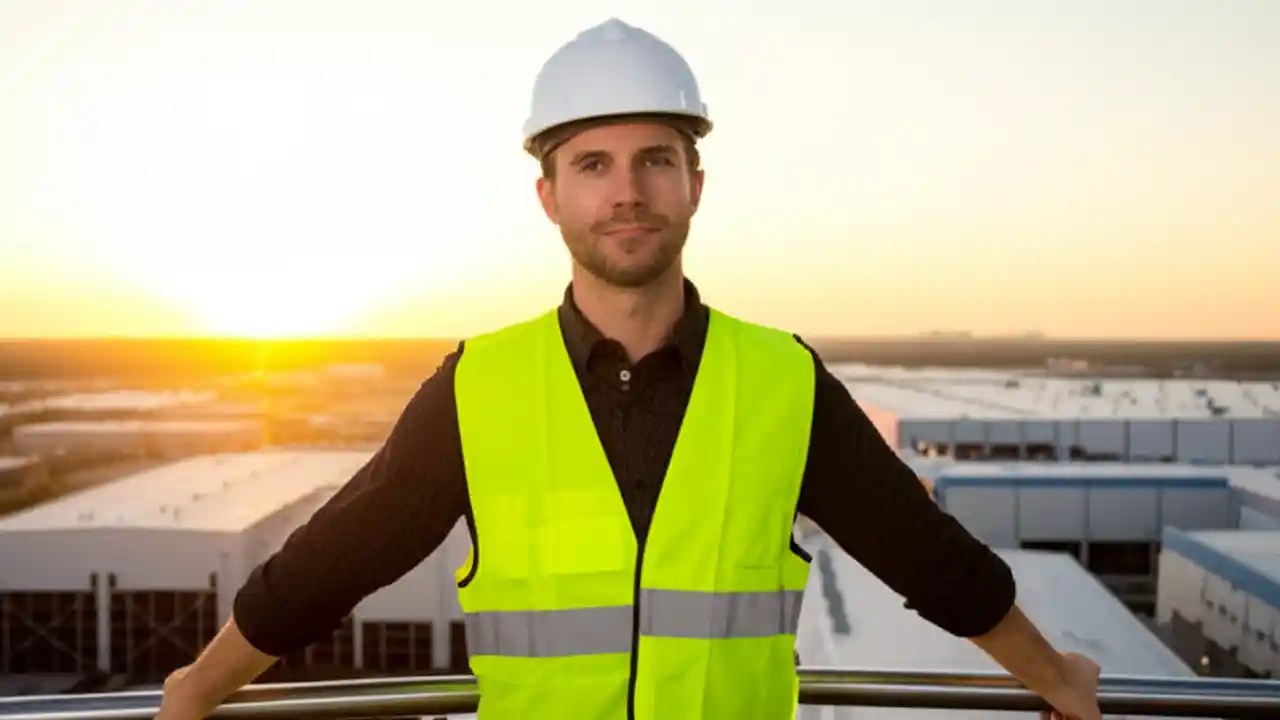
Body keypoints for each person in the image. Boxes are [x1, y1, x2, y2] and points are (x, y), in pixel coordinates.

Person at [157, 17, 1101, 720]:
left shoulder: (781, 379)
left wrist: (1053, 675)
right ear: (549, 196)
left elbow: (926, 555)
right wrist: (199, 688)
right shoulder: (479, 386)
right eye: (593, 164)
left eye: (655, 159)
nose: (627, 192)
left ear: (695, 184)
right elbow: (332, 562)